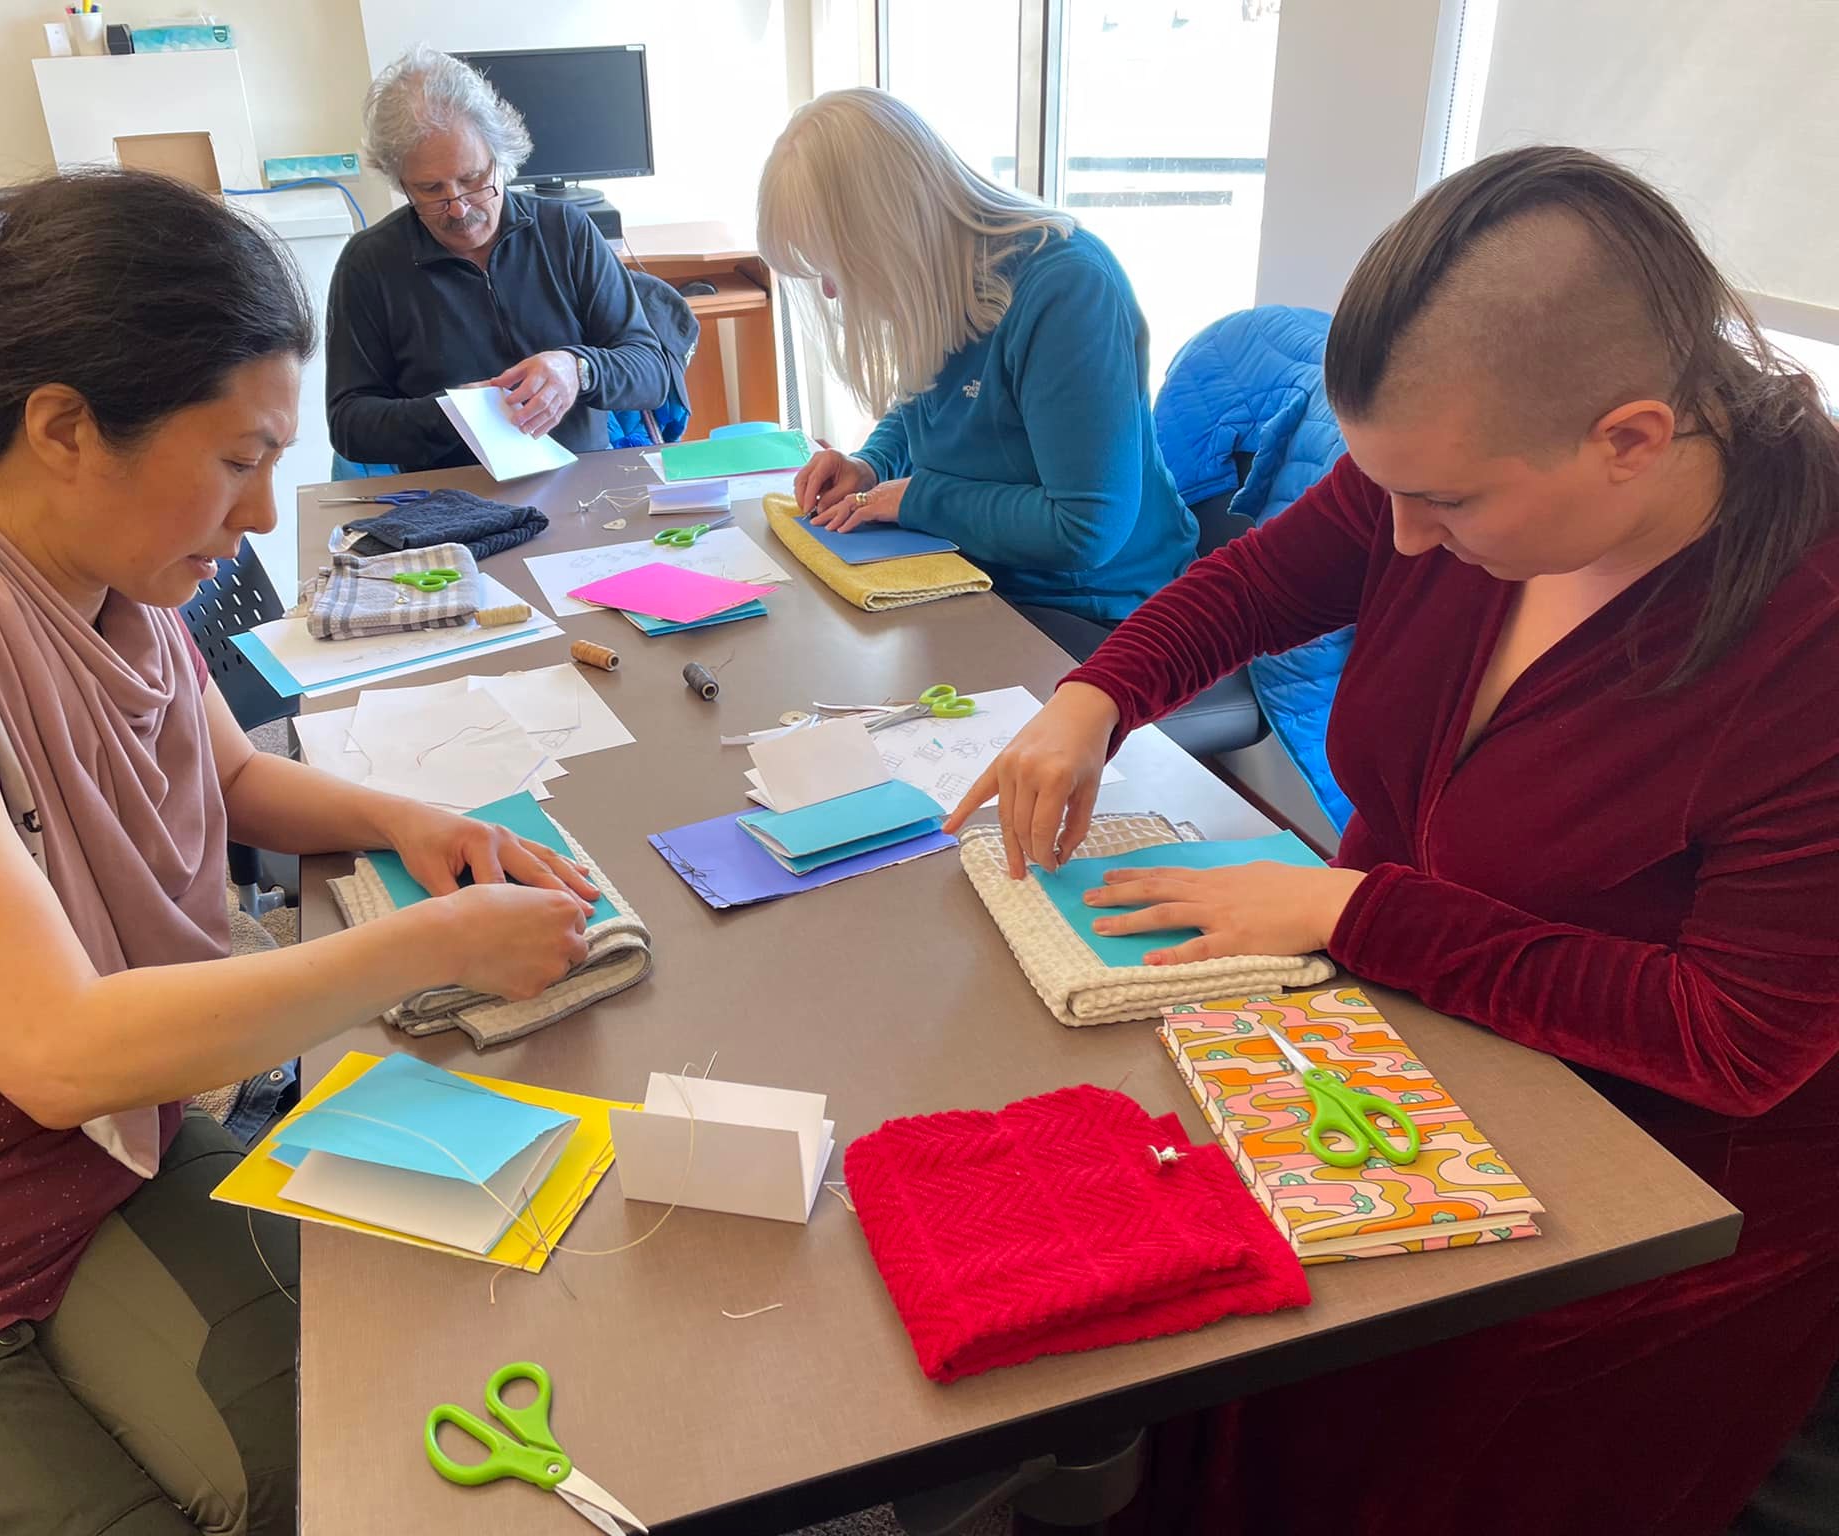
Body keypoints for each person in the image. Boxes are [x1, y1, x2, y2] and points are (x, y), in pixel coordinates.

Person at [949, 145, 1839, 1535]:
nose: (1402, 540)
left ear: (1632, 438)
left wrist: (1356, 918)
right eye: (1384, 492)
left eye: (1448, 504)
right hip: (1413, 1034)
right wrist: (1094, 697)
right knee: (1232, 1300)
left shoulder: (1809, 639)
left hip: (1664, 1176)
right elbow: (1258, 579)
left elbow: (1737, 1038)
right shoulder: (1451, 466)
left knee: (1414, 1440)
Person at [0, 170, 599, 1536]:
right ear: (63, 427)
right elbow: (54, 1046)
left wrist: (408, 822)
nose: (260, 513)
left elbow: (227, 774)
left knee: (363, 1450)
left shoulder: (102, 562)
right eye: (238, 461)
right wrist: (423, 943)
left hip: (97, 1159)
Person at [758, 88, 1199, 659]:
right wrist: (872, 467)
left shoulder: (1067, 290)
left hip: (1100, 610)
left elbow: (1085, 528)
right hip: (980, 571)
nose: (833, 290)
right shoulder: (941, 275)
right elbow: (926, 399)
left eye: (838, 264)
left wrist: (914, 499)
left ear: (891, 232)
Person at [327, 46, 673, 471]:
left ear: (501, 156)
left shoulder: (566, 231)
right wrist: (454, 415)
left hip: (582, 486)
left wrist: (578, 369)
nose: (458, 207)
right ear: (401, 182)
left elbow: (652, 371)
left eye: (472, 180)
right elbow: (348, 423)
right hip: (451, 500)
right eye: (431, 190)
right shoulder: (369, 264)